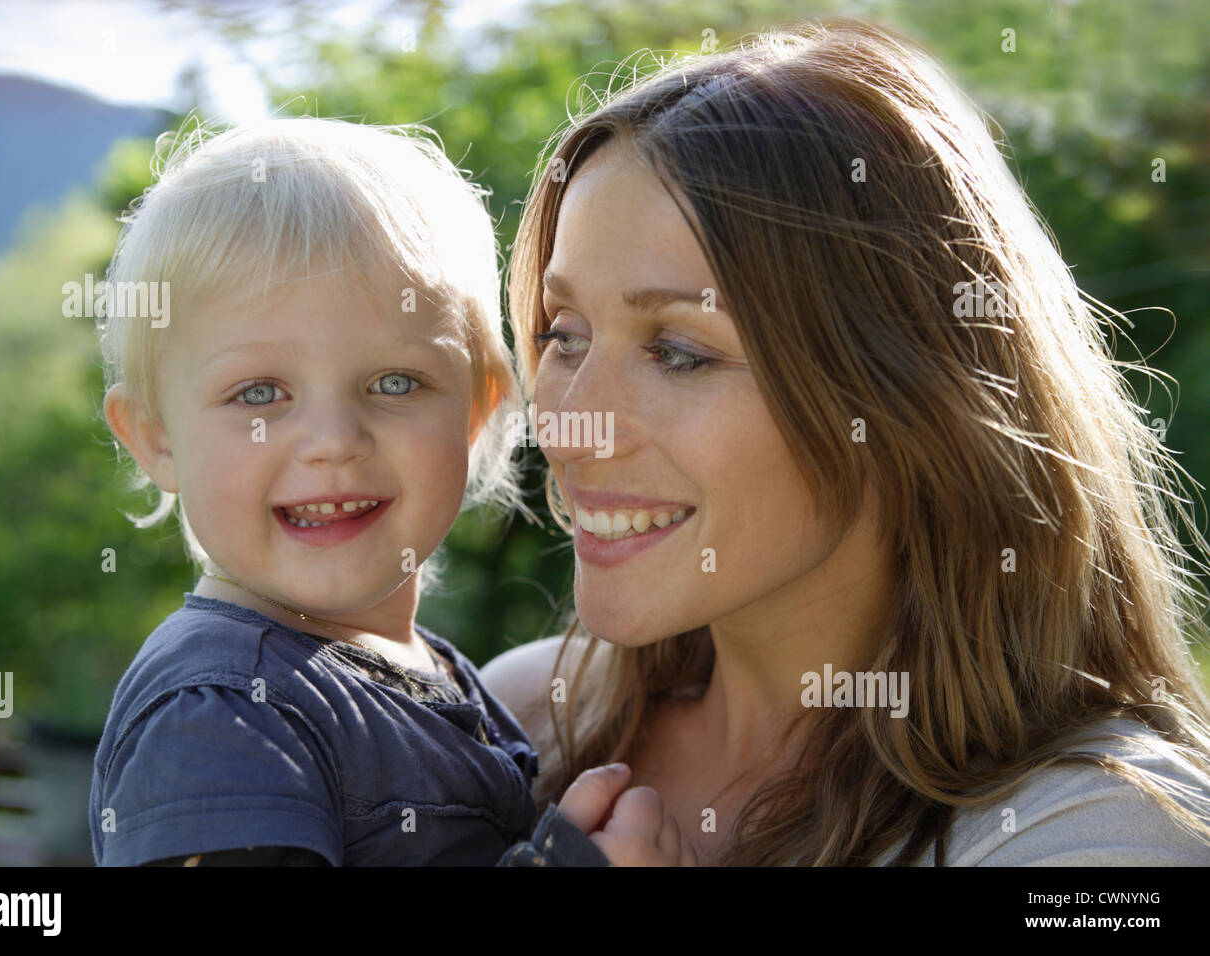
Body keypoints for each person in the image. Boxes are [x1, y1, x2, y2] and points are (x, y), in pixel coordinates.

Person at [484, 19, 1210, 865]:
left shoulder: (1104, 840)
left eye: (680, 352)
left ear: (903, 391)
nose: (570, 424)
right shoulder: (520, 720)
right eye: (564, 334)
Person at [89, 116, 688, 866]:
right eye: (259, 393)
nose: (335, 439)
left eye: (395, 382)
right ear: (156, 438)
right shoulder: (221, 714)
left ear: (476, 409)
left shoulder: (428, 676)